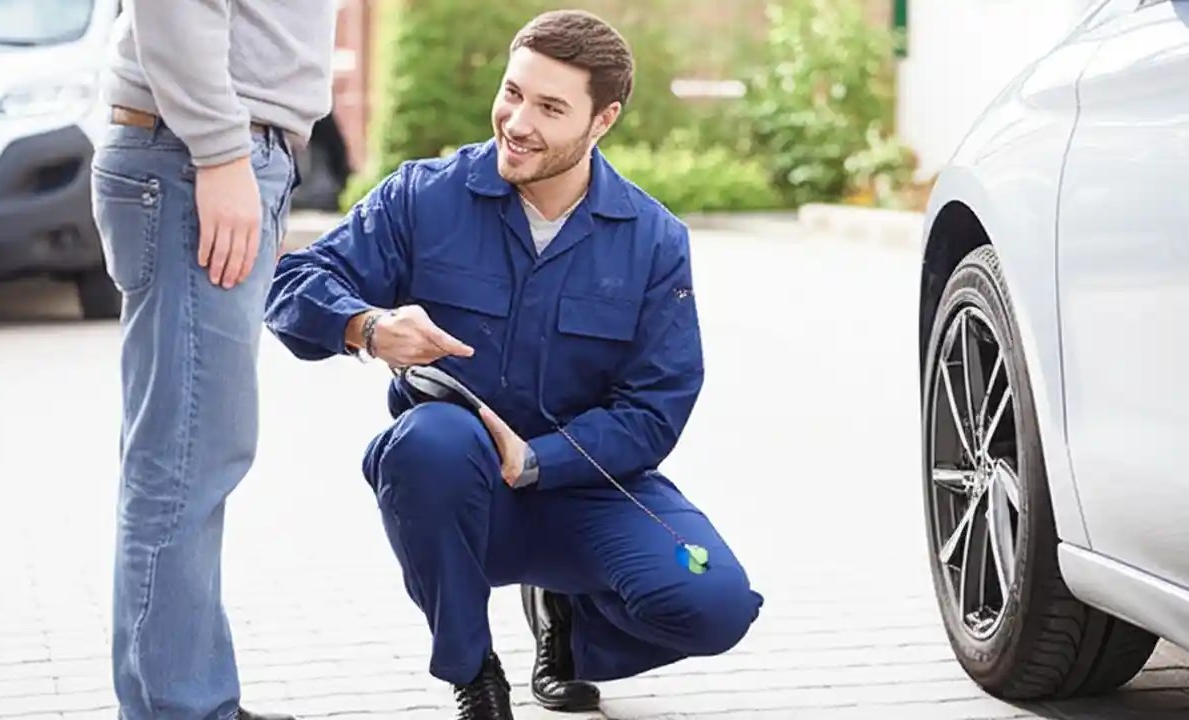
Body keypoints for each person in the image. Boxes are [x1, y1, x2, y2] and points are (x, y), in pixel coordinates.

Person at [263, 10, 763, 720]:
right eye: (512, 93)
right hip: (457, 491)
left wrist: (537, 458)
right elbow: (291, 283)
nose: (517, 122)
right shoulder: (424, 197)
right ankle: (474, 669)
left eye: (551, 107)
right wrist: (367, 328)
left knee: (714, 603)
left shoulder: (652, 241)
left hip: (586, 487)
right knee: (428, 443)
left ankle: (571, 629)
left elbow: (656, 406)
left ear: (604, 119)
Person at [90, 1, 337, 719]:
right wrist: (223, 153)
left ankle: (180, 701)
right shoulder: (214, 150)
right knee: (185, 459)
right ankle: (184, 709)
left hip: (213, 151)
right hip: (198, 155)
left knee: (187, 453)